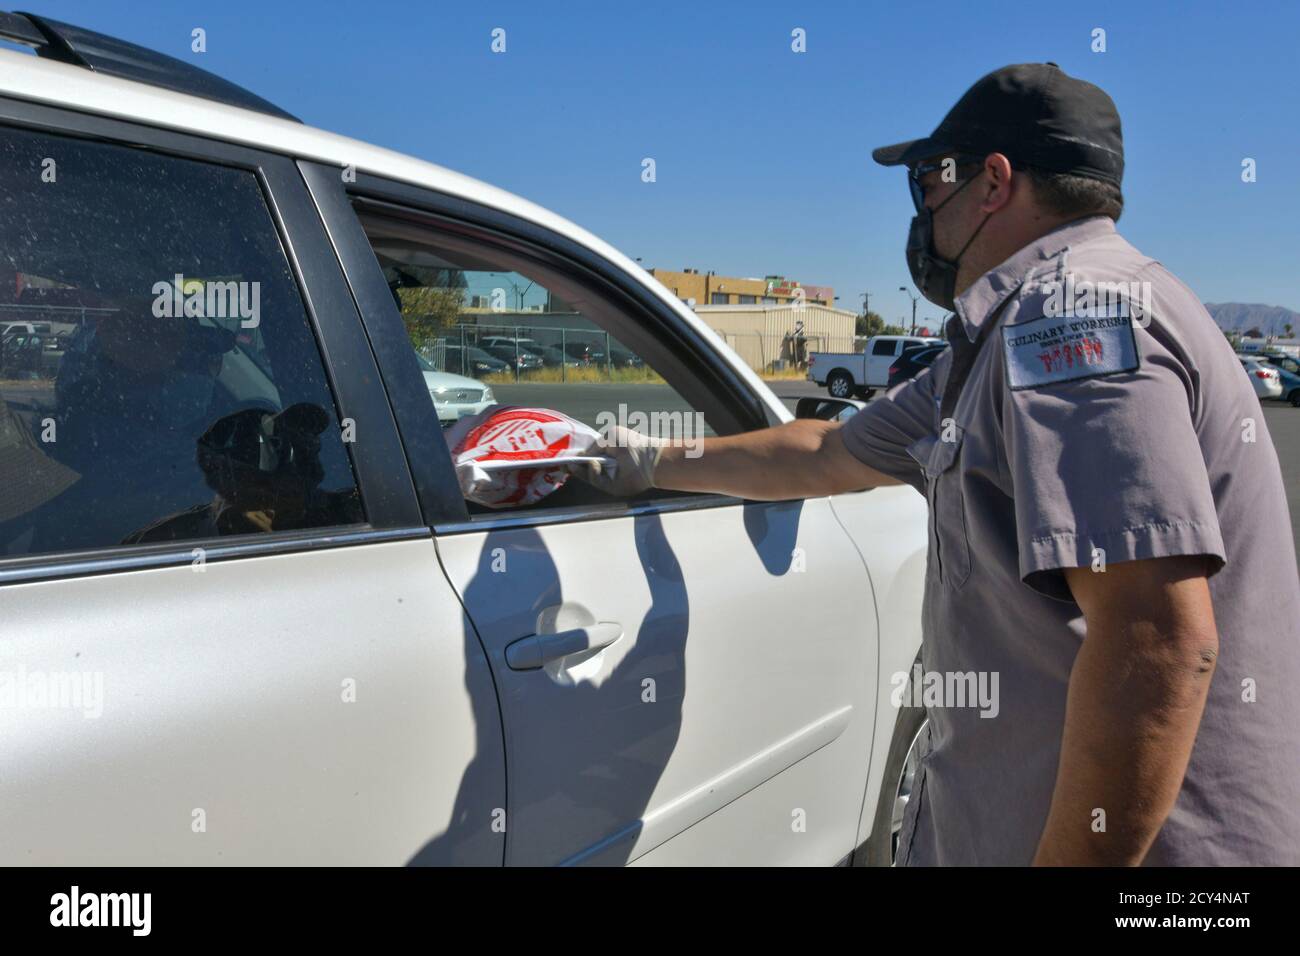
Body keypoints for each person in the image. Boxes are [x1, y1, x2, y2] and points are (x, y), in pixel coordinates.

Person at [582, 63, 1300, 866]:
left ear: (993, 181)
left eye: (929, 180)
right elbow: (827, 450)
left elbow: (1158, 641)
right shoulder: (1001, 338)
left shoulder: (1069, 320)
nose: (922, 209)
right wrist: (644, 460)